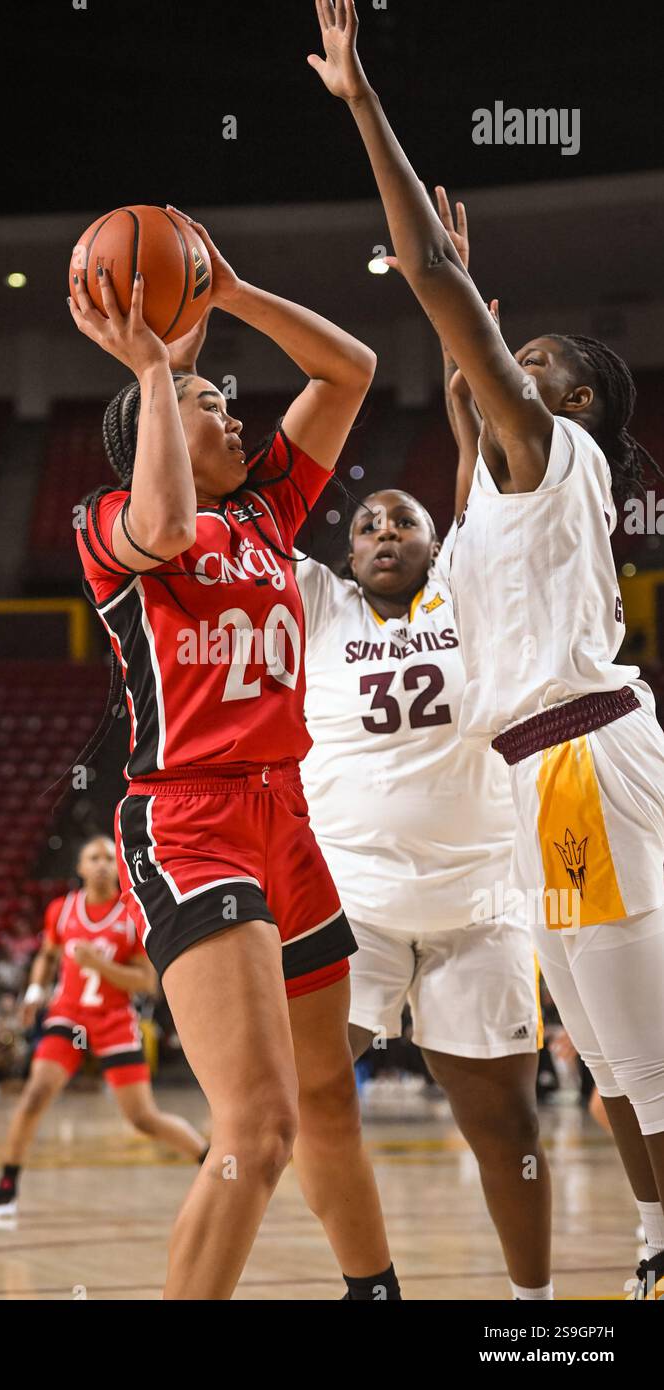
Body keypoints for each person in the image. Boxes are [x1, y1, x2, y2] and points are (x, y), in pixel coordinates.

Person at [309, 0, 664, 1300]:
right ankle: (644, 1246)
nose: (502, 370)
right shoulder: (494, 498)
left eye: (527, 363)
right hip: (538, 770)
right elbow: (464, 461)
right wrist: (464, 366)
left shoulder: (549, 450)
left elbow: (423, 276)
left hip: (574, 755)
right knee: (614, 1056)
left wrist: (361, 106)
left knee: (636, 1045)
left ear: (571, 404)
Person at [69, 211, 396, 1302]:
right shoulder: (109, 520)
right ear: (155, 419)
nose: (234, 409)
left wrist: (230, 290)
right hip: (193, 821)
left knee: (326, 1100)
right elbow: (163, 522)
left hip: (285, 817)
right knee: (254, 1130)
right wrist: (162, 367)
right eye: (215, 403)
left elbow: (349, 368)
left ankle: (375, 1291)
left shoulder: (266, 512)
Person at [0, 836, 206, 1218]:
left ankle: (207, 1160)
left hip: (114, 1018)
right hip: (68, 1014)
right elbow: (48, 954)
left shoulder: (131, 913)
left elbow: (146, 983)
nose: (103, 863)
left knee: (142, 1118)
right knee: (36, 1094)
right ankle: (7, 1180)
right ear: (81, 867)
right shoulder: (61, 910)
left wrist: (99, 965)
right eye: (94, 857)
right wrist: (35, 990)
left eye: (109, 856)